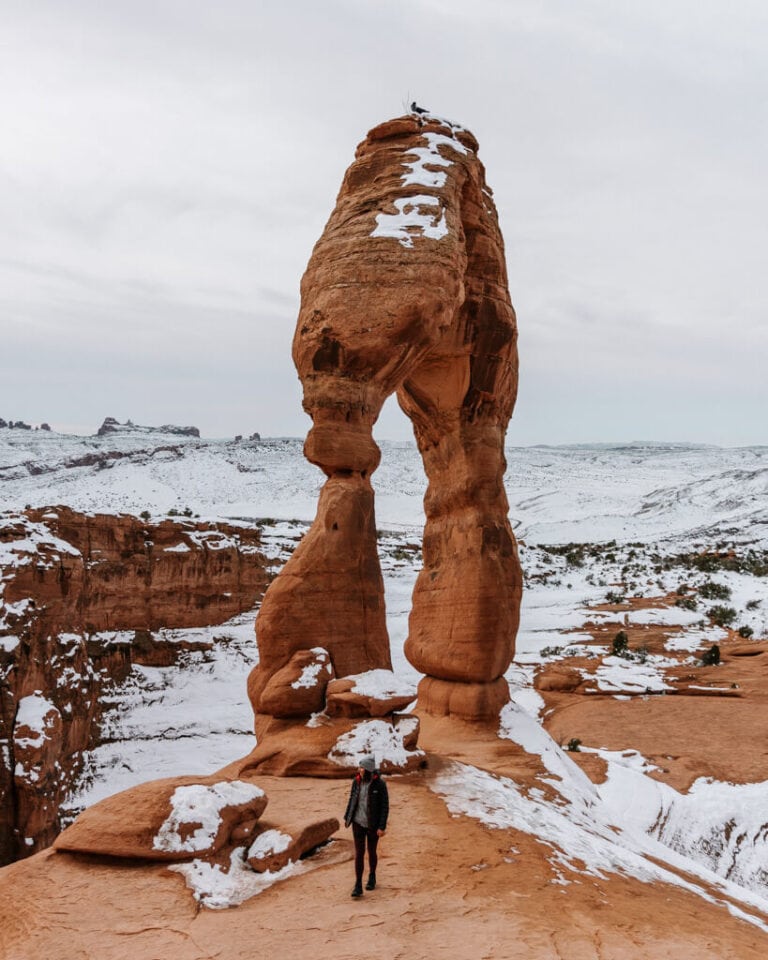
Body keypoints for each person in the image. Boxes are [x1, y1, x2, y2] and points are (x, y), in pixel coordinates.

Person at [344, 755, 389, 898]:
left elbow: (384, 806)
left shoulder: (379, 784)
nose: (359, 769)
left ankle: (372, 876)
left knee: (371, 851)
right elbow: (352, 798)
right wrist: (347, 816)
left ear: (369, 770)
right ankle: (358, 884)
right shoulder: (356, 782)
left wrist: (381, 827)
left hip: (373, 825)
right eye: (360, 767)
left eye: (362, 767)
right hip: (357, 823)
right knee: (359, 853)